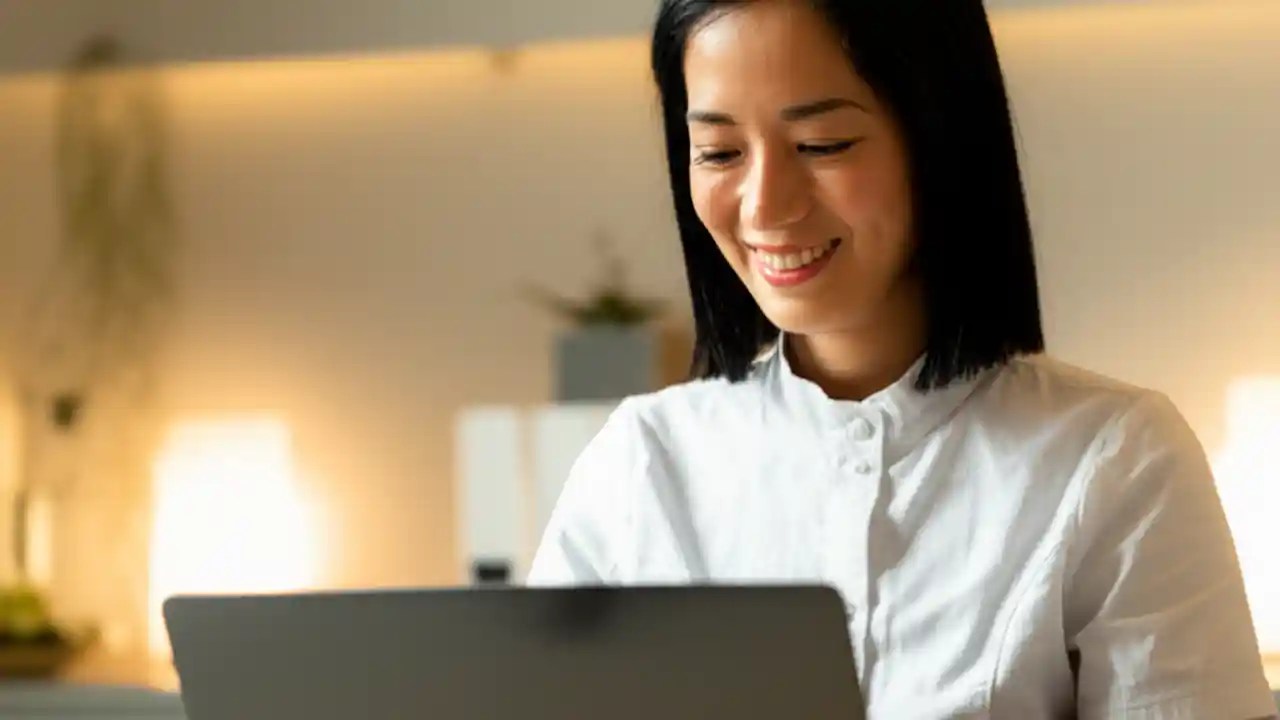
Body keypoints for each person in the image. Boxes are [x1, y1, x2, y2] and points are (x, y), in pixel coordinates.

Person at [527, 0, 1276, 717]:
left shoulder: (1115, 460)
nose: (763, 205)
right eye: (719, 152)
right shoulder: (641, 463)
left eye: (822, 145)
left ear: (939, 137)